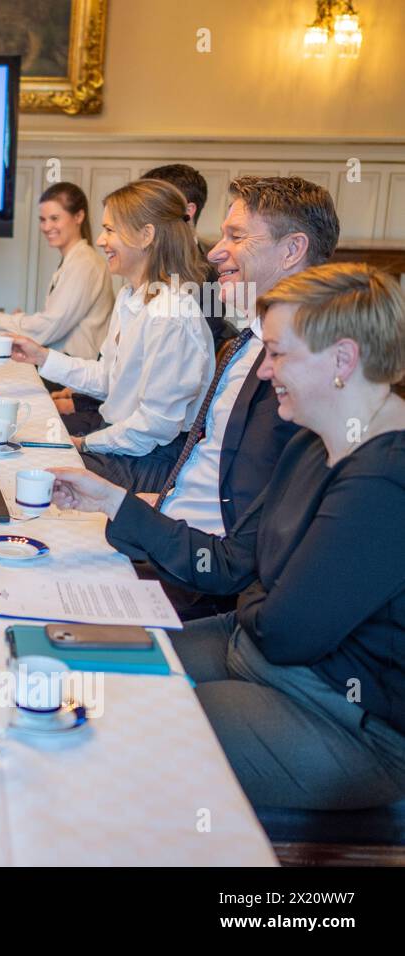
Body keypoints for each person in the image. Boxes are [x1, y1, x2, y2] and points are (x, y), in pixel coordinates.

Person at [50, 262, 405, 811]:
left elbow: (289, 631)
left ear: (343, 360)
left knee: (117, 724)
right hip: (254, 651)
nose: (263, 372)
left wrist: (259, 598)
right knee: (70, 666)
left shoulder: (385, 478)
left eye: (279, 353)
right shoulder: (312, 444)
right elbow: (236, 565)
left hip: (343, 721)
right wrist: (115, 501)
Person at [83, 176, 337, 539]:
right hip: (171, 513)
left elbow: (242, 524)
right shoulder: (248, 343)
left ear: (292, 250)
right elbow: (204, 475)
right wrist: (139, 505)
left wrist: (138, 514)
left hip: (195, 552)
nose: (215, 251)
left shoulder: (306, 365)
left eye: (236, 237)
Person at [9, 178, 213, 455]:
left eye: (109, 230)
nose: (101, 240)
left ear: (146, 235)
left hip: (146, 457)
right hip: (119, 438)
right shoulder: (131, 297)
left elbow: (154, 426)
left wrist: (85, 444)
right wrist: (42, 356)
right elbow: (107, 378)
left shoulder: (170, 315)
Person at [0, 182, 113, 360]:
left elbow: (49, 327)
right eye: (42, 219)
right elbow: (54, 321)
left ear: (78, 216)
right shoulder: (74, 260)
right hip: (64, 364)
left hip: (73, 373)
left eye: (54, 218)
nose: (46, 227)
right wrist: (18, 321)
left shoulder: (85, 264)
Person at [141, 163, 234, 352]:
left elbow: (201, 346)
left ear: (188, 211)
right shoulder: (146, 258)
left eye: (154, 206)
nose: (143, 215)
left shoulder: (210, 270)